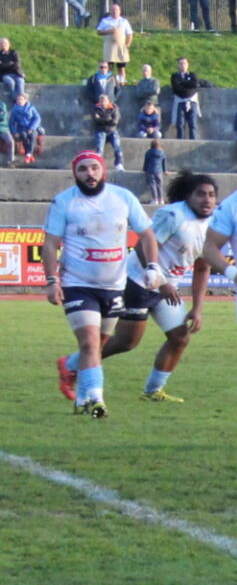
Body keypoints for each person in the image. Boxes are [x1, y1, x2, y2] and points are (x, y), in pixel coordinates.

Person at [45, 150, 162, 419]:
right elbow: (50, 244)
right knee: (88, 342)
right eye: (83, 169)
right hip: (77, 284)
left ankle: (75, 380)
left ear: (103, 171)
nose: (89, 173)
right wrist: (52, 280)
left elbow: (146, 234)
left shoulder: (123, 198)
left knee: (96, 347)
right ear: (75, 173)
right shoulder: (64, 202)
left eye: (94, 168)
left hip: (113, 285)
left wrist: (153, 266)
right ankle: (96, 400)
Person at [86, 170, 216, 405]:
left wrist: (197, 308)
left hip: (165, 289)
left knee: (180, 337)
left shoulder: (214, 225)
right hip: (137, 281)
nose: (207, 199)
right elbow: (142, 248)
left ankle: (153, 390)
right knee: (127, 342)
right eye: (201, 194)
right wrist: (162, 280)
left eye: (211, 195)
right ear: (188, 197)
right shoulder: (174, 215)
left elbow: (202, 267)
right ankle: (74, 365)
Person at [97, 4, 133, 84]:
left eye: (116, 10)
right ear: (110, 11)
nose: (114, 12)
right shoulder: (105, 21)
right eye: (113, 10)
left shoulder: (124, 21)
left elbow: (129, 34)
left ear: (119, 11)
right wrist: (109, 31)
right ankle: (109, 83)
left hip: (120, 48)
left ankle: (121, 83)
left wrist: (127, 44)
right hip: (109, 48)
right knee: (109, 68)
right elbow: (98, 31)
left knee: (121, 68)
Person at [170, 57, 202, 140]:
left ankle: (193, 140)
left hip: (192, 102)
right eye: (180, 63)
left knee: (193, 124)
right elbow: (176, 88)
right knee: (180, 124)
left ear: (187, 65)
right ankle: (180, 140)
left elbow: (195, 85)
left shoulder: (192, 75)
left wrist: (182, 83)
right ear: (178, 65)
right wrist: (188, 85)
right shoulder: (175, 76)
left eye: (184, 63)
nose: (182, 65)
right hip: (180, 102)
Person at [91, 94, 124, 171]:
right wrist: (108, 119)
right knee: (99, 148)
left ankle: (119, 164)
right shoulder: (95, 108)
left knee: (117, 147)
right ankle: (98, 165)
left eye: (104, 101)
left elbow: (115, 121)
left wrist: (102, 119)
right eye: (101, 101)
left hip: (112, 130)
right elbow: (95, 120)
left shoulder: (114, 108)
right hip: (100, 130)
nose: (103, 103)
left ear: (108, 101)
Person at [9, 93, 43, 163]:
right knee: (24, 136)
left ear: (25, 100)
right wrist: (14, 132)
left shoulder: (31, 108)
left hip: (32, 128)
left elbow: (37, 118)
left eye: (21, 99)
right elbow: (11, 123)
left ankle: (28, 154)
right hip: (21, 129)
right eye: (18, 99)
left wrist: (32, 128)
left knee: (32, 136)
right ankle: (29, 154)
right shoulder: (14, 110)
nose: (19, 101)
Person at [143, 139, 166, 204]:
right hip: (159, 171)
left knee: (152, 185)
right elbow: (164, 162)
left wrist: (144, 169)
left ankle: (155, 199)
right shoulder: (162, 152)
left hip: (150, 170)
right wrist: (165, 170)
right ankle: (161, 199)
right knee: (159, 185)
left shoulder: (148, 152)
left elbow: (146, 162)